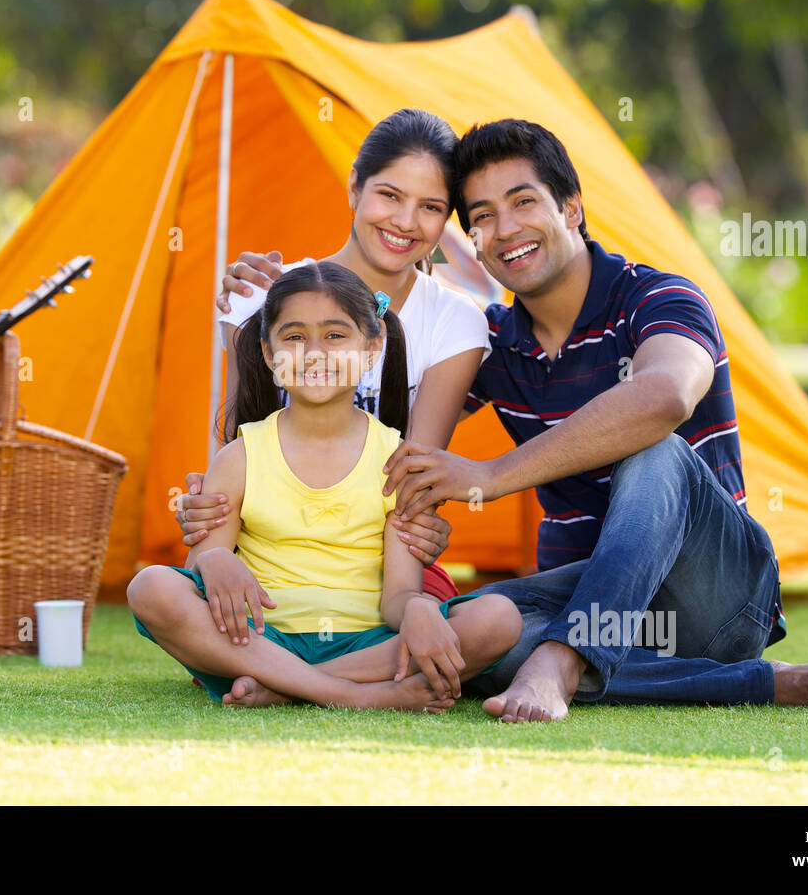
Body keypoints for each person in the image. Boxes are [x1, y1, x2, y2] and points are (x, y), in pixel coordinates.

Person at [378, 119, 808, 721]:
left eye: (523, 201)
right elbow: (378, 418)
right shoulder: (493, 344)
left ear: (571, 208)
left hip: (713, 595)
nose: (505, 229)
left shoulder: (659, 298)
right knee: (465, 632)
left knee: (654, 448)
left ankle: (561, 661)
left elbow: (664, 396)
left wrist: (488, 476)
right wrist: (288, 300)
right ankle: (756, 684)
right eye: (481, 217)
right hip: (587, 599)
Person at [127, 261, 521, 711]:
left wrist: (417, 608)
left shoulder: (399, 462)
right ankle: (352, 695)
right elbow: (201, 566)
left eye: (335, 335)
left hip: (366, 646)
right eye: (294, 337)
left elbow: (398, 597)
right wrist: (215, 560)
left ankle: (286, 687)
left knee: (498, 619)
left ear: (372, 348)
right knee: (151, 586)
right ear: (270, 353)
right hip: (259, 639)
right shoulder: (239, 456)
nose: (314, 353)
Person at [174, 107, 491, 601]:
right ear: (354, 187)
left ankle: (283, 676)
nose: (405, 222)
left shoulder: (457, 321)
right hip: (263, 544)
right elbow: (235, 440)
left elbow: (412, 483)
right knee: (179, 596)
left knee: (457, 626)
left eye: (430, 207)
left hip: (378, 549)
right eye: (389, 195)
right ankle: (326, 675)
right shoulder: (259, 295)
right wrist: (206, 501)